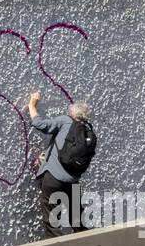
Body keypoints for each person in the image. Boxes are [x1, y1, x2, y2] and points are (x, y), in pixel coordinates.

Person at [28, 90, 95, 238]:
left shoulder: (65, 121)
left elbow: (40, 124)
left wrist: (32, 105)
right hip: (73, 181)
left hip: (54, 179)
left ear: (71, 113)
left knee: (51, 219)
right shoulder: (86, 129)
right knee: (78, 219)